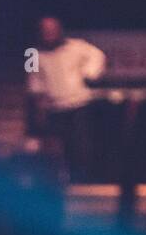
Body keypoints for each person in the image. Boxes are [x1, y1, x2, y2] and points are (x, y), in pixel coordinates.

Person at [27, 16, 107, 183]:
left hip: (79, 103)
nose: (49, 33)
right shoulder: (32, 54)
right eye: (45, 30)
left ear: (59, 30)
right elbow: (33, 80)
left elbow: (98, 56)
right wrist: (38, 104)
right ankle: (61, 181)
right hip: (54, 107)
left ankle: (83, 180)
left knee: (82, 145)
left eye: (52, 29)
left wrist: (89, 73)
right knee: (59, 148)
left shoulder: (77, 46)